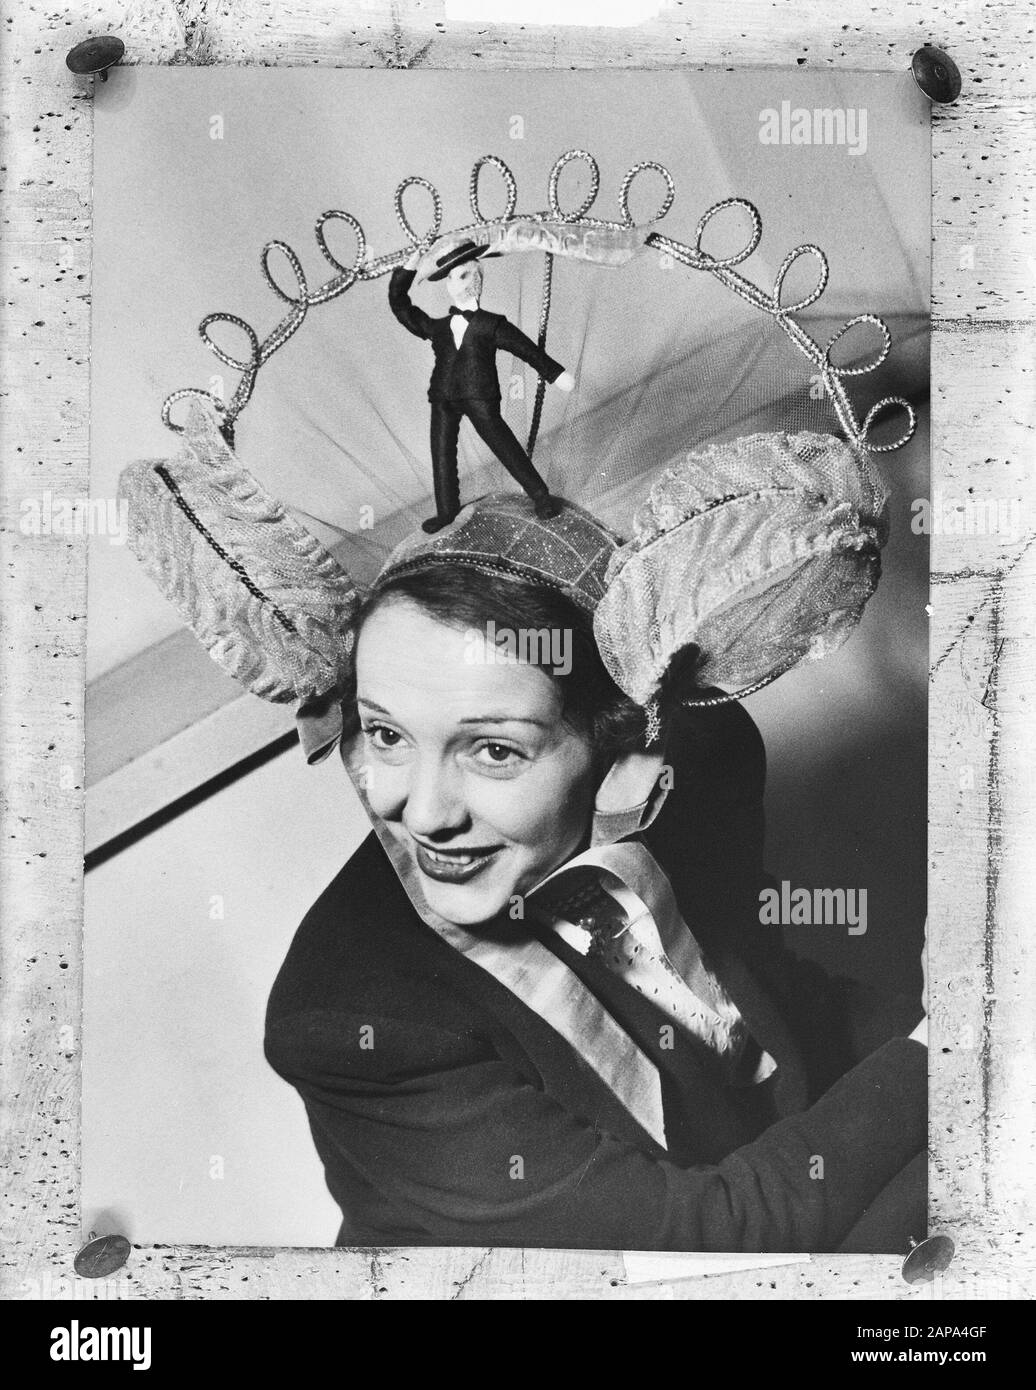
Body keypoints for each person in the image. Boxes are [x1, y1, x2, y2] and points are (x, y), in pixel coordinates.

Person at [265, 498, 927, 1252]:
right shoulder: (354, 1024)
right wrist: (937, 1050)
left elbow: (762, 998)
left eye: (493, 751)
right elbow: (700, 1236)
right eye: (385, 735)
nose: (422, 814)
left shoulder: (691, 774)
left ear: (622, 752)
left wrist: (955, 1017)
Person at [388, 240, 575, 533]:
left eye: (460, 275)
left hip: (480, 395)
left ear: (477, 277)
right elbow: (400, 306)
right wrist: (407, 269)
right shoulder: (439, 327)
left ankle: (540, 496)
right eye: (449, 278)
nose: (453, 284)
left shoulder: (491, 324)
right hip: (442, 396)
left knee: (504, 445)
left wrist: (555, 374)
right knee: (441, 452)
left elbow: (525, 349)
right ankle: (446, 511)